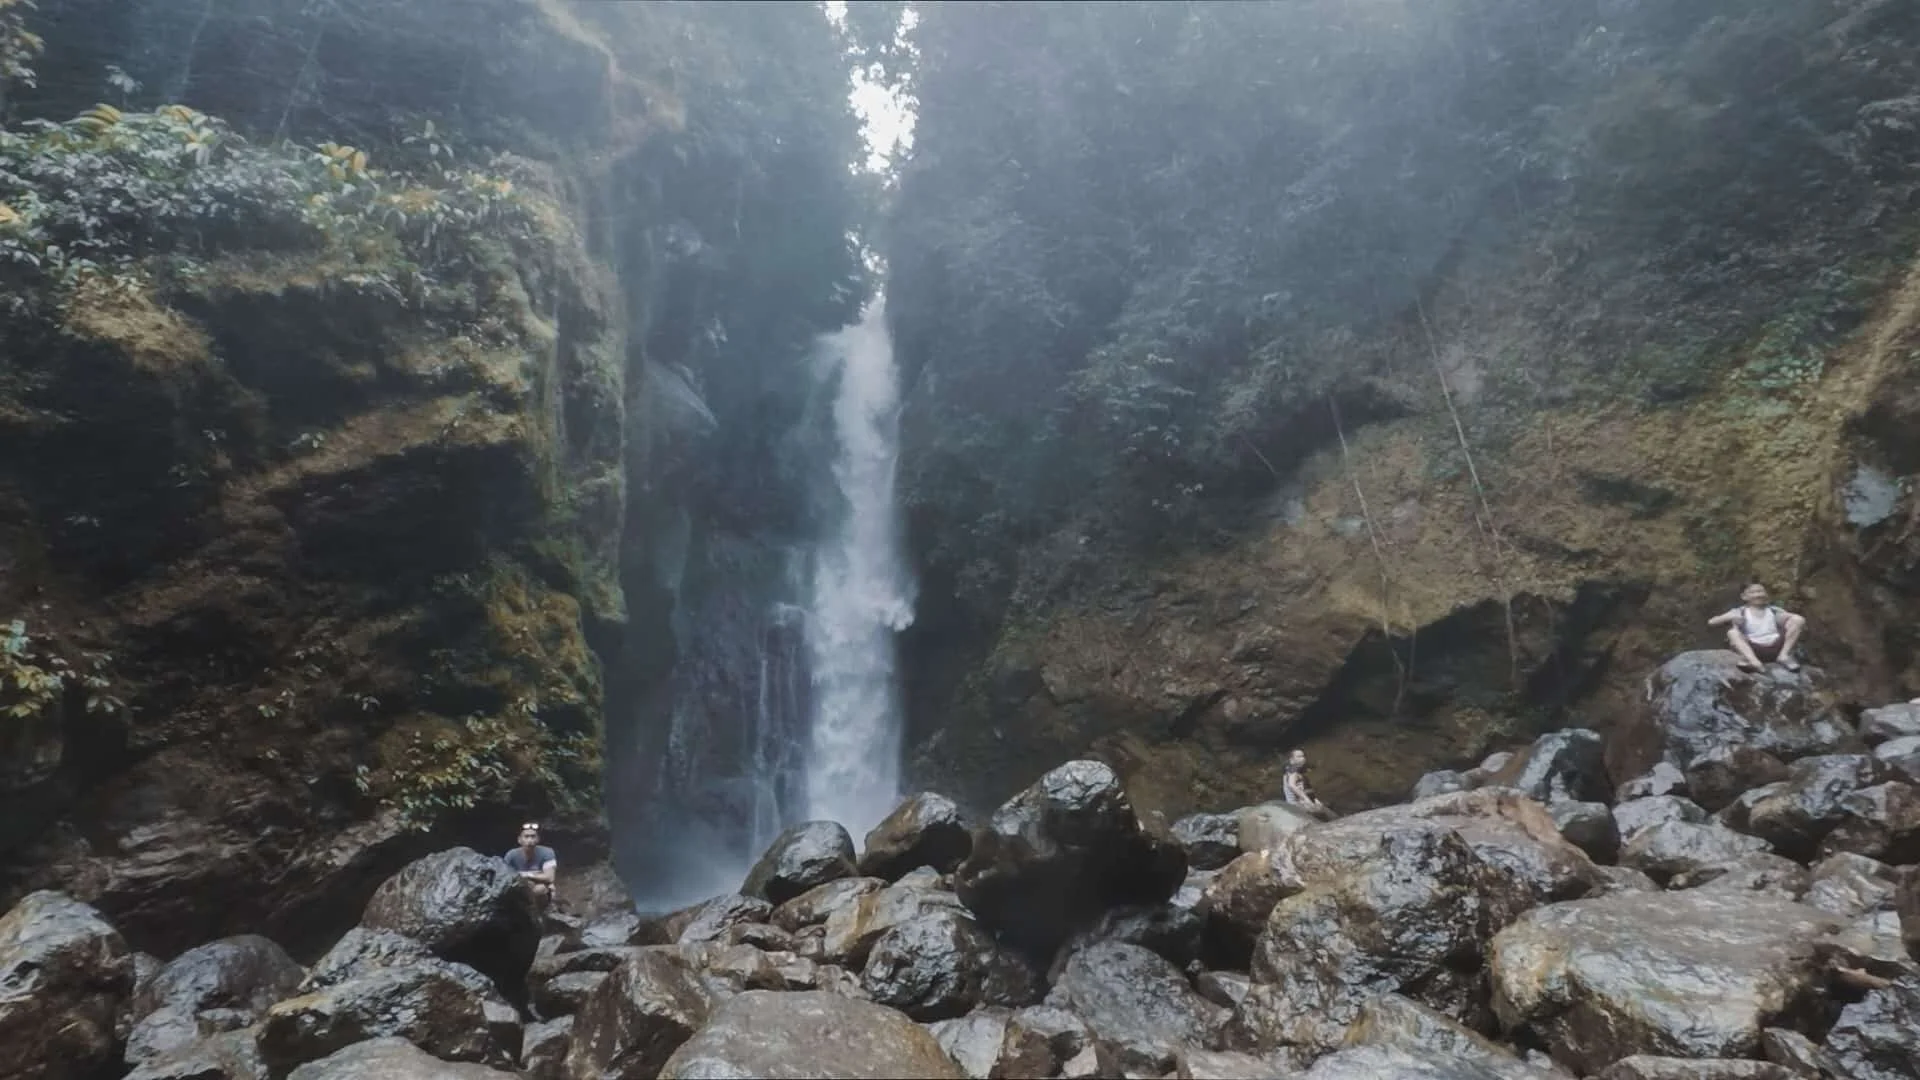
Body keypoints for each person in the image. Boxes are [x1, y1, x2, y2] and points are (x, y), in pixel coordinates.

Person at [1707, 583, 1806, 673]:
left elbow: (1794, 620)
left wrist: (1791, 619)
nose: (1758, 595)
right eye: (1753, 592)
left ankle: (1783, 656)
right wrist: (1730, 617)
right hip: (1754, 649)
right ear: (1744, 597)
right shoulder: (1740, 612)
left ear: (1766, 594)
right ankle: (1754, 662)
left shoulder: (1773, 610)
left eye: (1760, 591)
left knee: (1798, 619)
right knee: (1732, 633)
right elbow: (1711, 622)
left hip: (1776, 647)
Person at [504, 822, 557, 906]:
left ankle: (543, 913)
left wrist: (528, 876)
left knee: (541, 889)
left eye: (533, 836)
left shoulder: (547, 852)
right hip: (519, 887)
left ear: (538, 839)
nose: (530, 840)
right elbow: (503, 876)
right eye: (526, 836)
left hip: (539, 887)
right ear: (519, 840)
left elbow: (550, 877)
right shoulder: (511, 855)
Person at [1281, 749, 1332, 819]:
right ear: (1292, 759)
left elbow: (1304, 788)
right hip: (1297, 804)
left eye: (1303, 756)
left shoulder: (1295, 770)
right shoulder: (1293, 770)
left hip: (1301, 802)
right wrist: (1306, 799)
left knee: (1326, 806)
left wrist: (1315, 800)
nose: (1302, 758)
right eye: (1299, 756)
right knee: (1328, 813)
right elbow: (1291, 785)